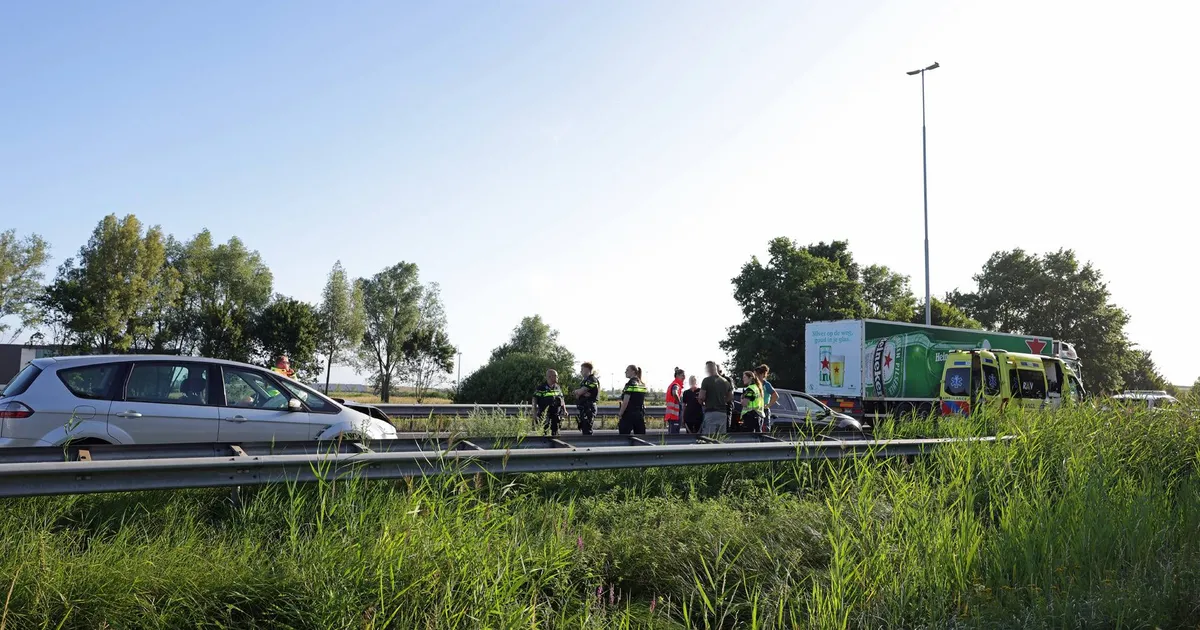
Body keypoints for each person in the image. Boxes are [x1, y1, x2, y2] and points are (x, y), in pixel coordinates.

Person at [698, 361, 732, 435]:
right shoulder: (725, 381)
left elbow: (701, 397)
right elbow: (730, 397)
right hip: (723, 413)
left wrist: (702, 402)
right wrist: (722, 401)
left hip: (711, 412)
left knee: (709, 437)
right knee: (721, 437)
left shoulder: (706, 380)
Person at [532, 369, 567, 436]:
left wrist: (564, 410)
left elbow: (562, 399)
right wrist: (534, 412)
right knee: (545, 432)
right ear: (550, 376)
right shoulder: (541, 388)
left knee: (555, 433)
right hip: (545, 414)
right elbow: (534, 399)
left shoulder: (558, 387)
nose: (557, 377)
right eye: (556, 376)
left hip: (555, 414)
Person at [617, 364, 648, 435]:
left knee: (623, 437)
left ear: (633, 372)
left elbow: (625, 402)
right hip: (639, 415)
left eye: (627, 370)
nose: (625, 372)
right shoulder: (642, 384)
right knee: (640, 438)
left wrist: (620, 413)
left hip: (629, 415)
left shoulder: (630, 384)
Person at [572, 362, 600, 435]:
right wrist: (579, 392)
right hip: (584, 407)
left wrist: (579, 392)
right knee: (584, 428)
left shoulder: (592, 380)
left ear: (587, 369)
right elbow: (578, 395)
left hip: (589, 407)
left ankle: (589, 444)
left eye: (582, 369)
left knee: (587, 428)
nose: (580, 371)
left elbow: (580, 392)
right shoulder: (584, 381)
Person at [755, 364, 779, 430]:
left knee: (764, 429)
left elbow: (775, 396)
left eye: (757, 375)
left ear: (762, 374)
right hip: (755, 409)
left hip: (764, 410)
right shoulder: (754, 384)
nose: (755, 377)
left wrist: (768, 405)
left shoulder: (766, 385)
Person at [664, 368, 686, 434]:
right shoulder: (676, 385)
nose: (684, 377)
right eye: (682, 375)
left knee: (671, 434)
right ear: (677, 376)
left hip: (672, 415)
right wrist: (679, 403)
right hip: (675, 415)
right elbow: (674, 393)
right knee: (674, 435)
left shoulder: (673, 384)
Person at [717, 365, 737, 431]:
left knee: (726, 426)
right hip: (717, 407)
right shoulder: (714, 380)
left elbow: (731, 393)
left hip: (726, 406)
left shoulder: (727, 379)